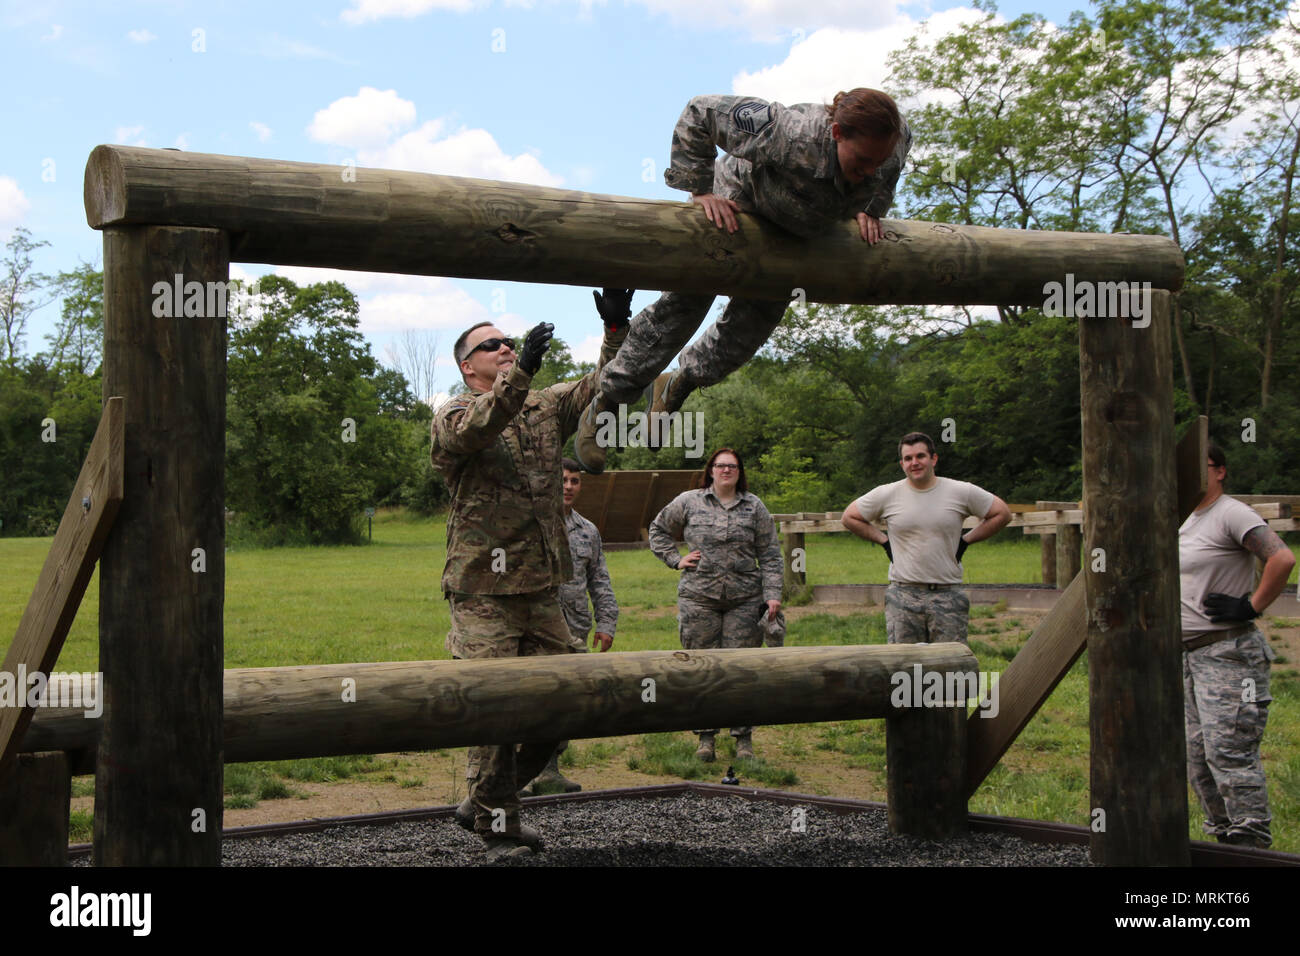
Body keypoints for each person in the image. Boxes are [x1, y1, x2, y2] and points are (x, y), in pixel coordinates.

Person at [574, 88, 912, 473]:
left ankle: (677, 385)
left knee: (748, 330)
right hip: (738, 205)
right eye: (863, 161)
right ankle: (604, 407)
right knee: (684, 306)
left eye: (879, 162)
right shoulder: (791, 132)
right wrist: (700, 189)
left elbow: (887, 170)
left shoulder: (893, 144)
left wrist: (873, 209)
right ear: (836, 133)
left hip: (793, 233)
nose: (871, 170)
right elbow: (700, 112)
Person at [432, 288, 632, 861]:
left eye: (509, 343)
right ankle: (499, 832)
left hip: (542, 587)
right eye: (491, 345)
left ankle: (484, 800)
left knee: (569, 699)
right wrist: (519, 375)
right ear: (467, 365)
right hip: (482, 593)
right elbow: (476, 429)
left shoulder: (543, 404)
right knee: (495, 714)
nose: (505, 348)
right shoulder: (450, 412)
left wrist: (616, 330)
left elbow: (606, 384)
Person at [1179, 444, 1294, 849]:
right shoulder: (1181, 518)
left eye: (1203, 467)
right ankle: (1223, 841)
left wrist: (1250, 605)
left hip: (1228, 652)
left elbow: (1281, 558)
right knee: (1197, 759)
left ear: (1220, 471)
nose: (1194, 475)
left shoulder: (1230, 512)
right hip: (1189, 656)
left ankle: (1250, 843)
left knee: (1229, 752)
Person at [648, 447, 783, 761]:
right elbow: (658, 529)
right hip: (699, 598)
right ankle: (706, 738)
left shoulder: (754, 507)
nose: (726, 471)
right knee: (702, 667)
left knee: (740, 669)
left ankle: (743, 739)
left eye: (732, 466)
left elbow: (771, 555)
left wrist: (772, 594)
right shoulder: (689, 501)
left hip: (745, 599)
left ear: (739, 472)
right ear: (710, 470)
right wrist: (675, 559)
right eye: (721, 466)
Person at [841, 432, 1011, 644]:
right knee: (904, 669)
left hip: (948, 596)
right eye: (908, 458)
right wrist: (885, 542)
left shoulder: (960, 491)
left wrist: (966, 541)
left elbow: (1002, 513)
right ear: (901, 463)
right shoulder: (887, 494)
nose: (915, 463)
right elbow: (849, 517)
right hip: (903, 595)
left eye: (920, 456)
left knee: (950, 668)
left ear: (934, 459)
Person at [522, 458, 621, 795]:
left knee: (566, 700)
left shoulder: (587, 530)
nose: (568, 486)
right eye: (562, 480)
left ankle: (549, 769)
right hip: (532, 629)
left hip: (574, 629)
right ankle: (514, 774)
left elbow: (600, 580)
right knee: (529, 698)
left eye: (575, 481)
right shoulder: (531, 524)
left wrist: (607, 621)